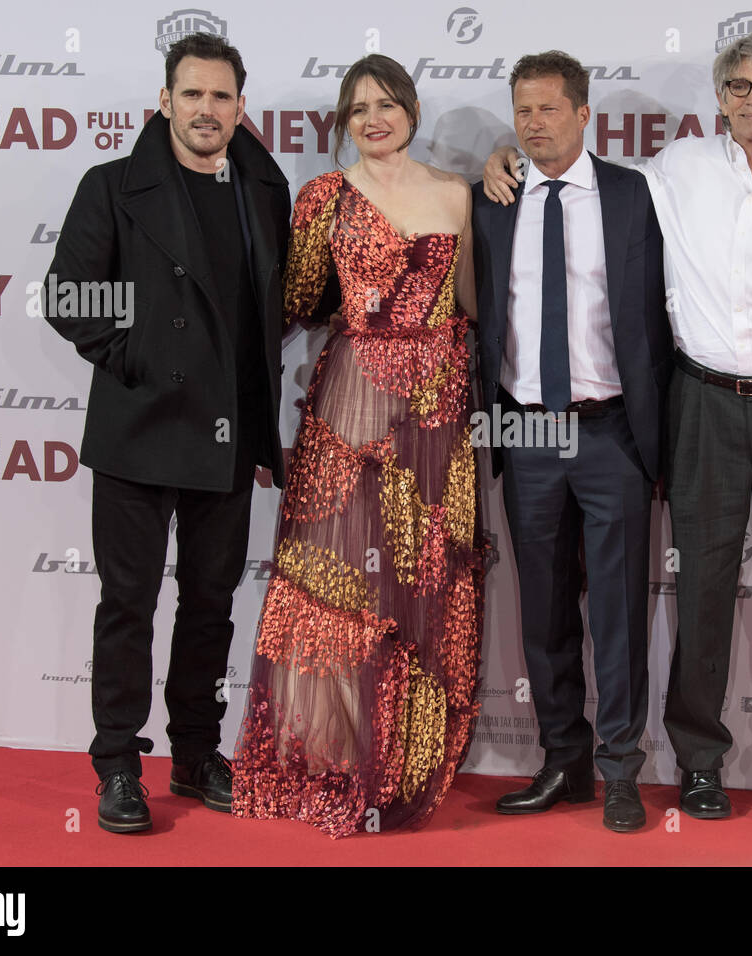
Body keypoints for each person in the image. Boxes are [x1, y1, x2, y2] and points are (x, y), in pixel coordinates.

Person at [483, 31, 752, 823]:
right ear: (721, 98)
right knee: (701, 596)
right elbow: (564, 162)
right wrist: (508, 149)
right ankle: (701, 764)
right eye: (739, 87)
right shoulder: (678, 171)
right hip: (701, 402)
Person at [44, 33, 303, 832]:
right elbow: (69, 300)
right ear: (164, 101)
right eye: (192, 94)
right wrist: (143, 362)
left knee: (211, 603)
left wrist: (261, 435)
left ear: (239, 109)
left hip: (224, 437)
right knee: (127, 603)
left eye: (221, 97)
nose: (206, 110)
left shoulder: (262, 187)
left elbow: (262, 327)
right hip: (138, 431)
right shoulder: (114, 186)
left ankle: (194, 756)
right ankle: (119, 763)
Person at [230, 54, 485, 838]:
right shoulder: (324, 198)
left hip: (437, 411)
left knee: (421, 579)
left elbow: (469, 302)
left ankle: (399, 759)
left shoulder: (454, 192)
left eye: (388, 103)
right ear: (343, 122)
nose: (375, 118)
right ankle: (336, 755)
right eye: (358, 107)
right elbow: (301, 303)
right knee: (337, 582)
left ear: (412, 108)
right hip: (350, 410)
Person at [472, 51, 671, 832]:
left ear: (585, 114)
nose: (532, 124)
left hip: (611, 429)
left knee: (618, 610)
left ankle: (622, 768)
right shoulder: (491, 198)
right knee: (543, 609)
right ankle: (565, 761)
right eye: (521, 110)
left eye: (549, 109)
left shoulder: (637, 195)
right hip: (524, 430)